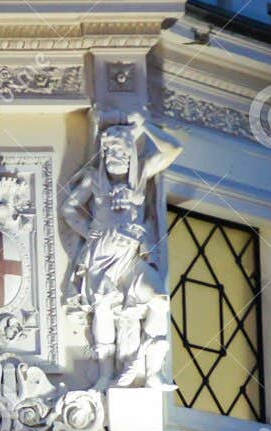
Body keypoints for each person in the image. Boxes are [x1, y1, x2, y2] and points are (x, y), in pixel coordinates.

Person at [61, 112, 183, 387]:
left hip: (132, 258)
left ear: (131, 154)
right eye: (109, 150)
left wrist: (146, 124)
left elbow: (173, 149)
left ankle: (153, 372)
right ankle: (106, 375)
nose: (115, 155)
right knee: (103, 308)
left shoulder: (139, 178)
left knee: (159, 301)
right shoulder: (95, 180)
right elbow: (68, 208)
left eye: (121, 150)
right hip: (102, 259)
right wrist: (86, 228)